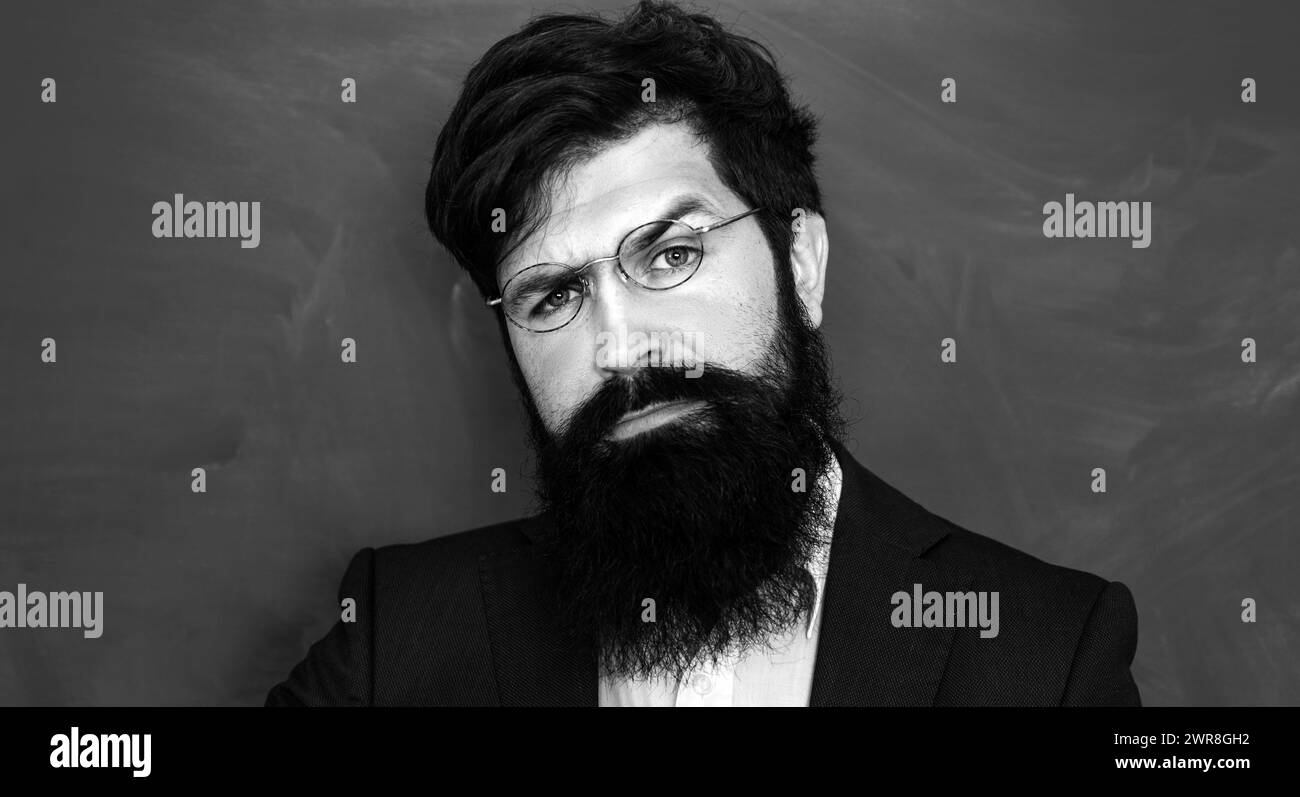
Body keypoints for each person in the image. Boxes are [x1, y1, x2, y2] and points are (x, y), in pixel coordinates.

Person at [266, 0, 1140, 707]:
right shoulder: (400, 637)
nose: (622, 345)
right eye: (554, 295)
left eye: (672, 255)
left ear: (801, 263)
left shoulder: (1042, 651)